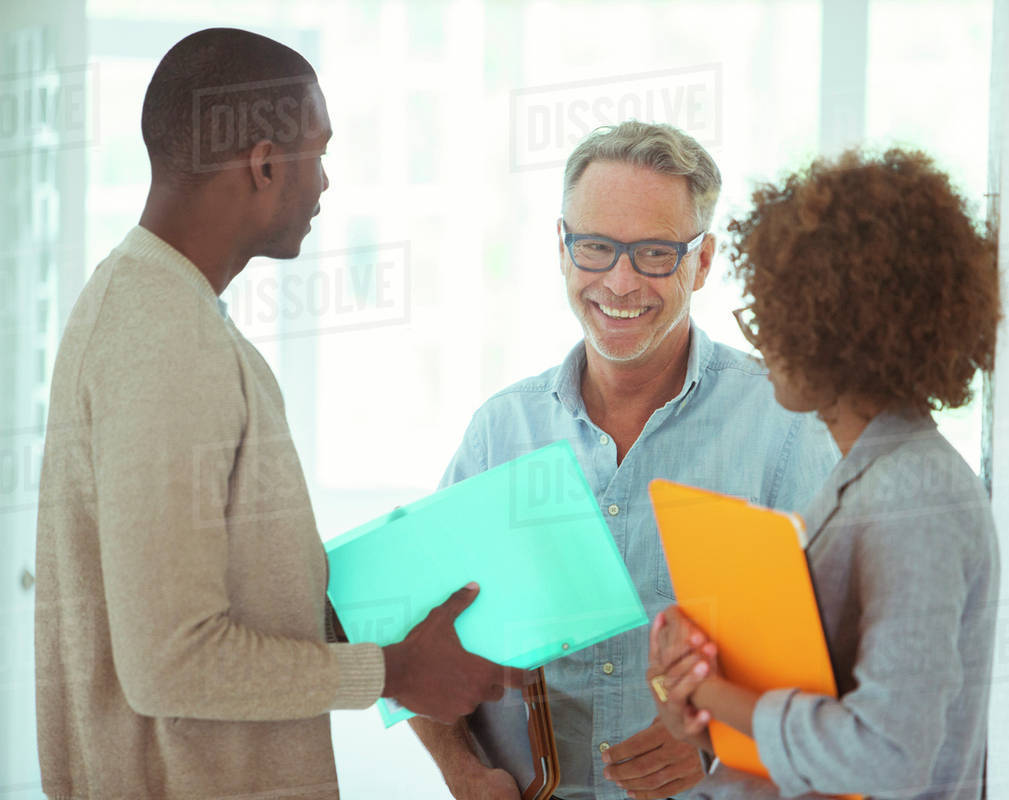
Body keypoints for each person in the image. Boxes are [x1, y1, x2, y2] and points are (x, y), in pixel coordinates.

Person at [34, 28, 522, 800]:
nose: (325, 182)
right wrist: (393, 671)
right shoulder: (165, 338)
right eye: (317, 153)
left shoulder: (160, 309)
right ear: (264, 164)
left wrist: (374, 603)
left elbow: (219, 583)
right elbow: (170, 664)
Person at [410, 120, 839, 800]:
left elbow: (840, 667)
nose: (620, 281)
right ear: (562, 247)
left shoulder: (786, 425)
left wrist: (720, 740)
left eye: (655, 254)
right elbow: (413, 639)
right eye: (597, 247)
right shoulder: (502, 431)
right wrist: (464, 774)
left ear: (703, 261)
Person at [646, 148, 1003, 800]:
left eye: (773, 318)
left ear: (838, 329)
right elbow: (812, 739)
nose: (762, 344)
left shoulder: (914, 495)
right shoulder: (870, 475)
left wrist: (712, 692)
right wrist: (695, 712)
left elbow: (888, 757)